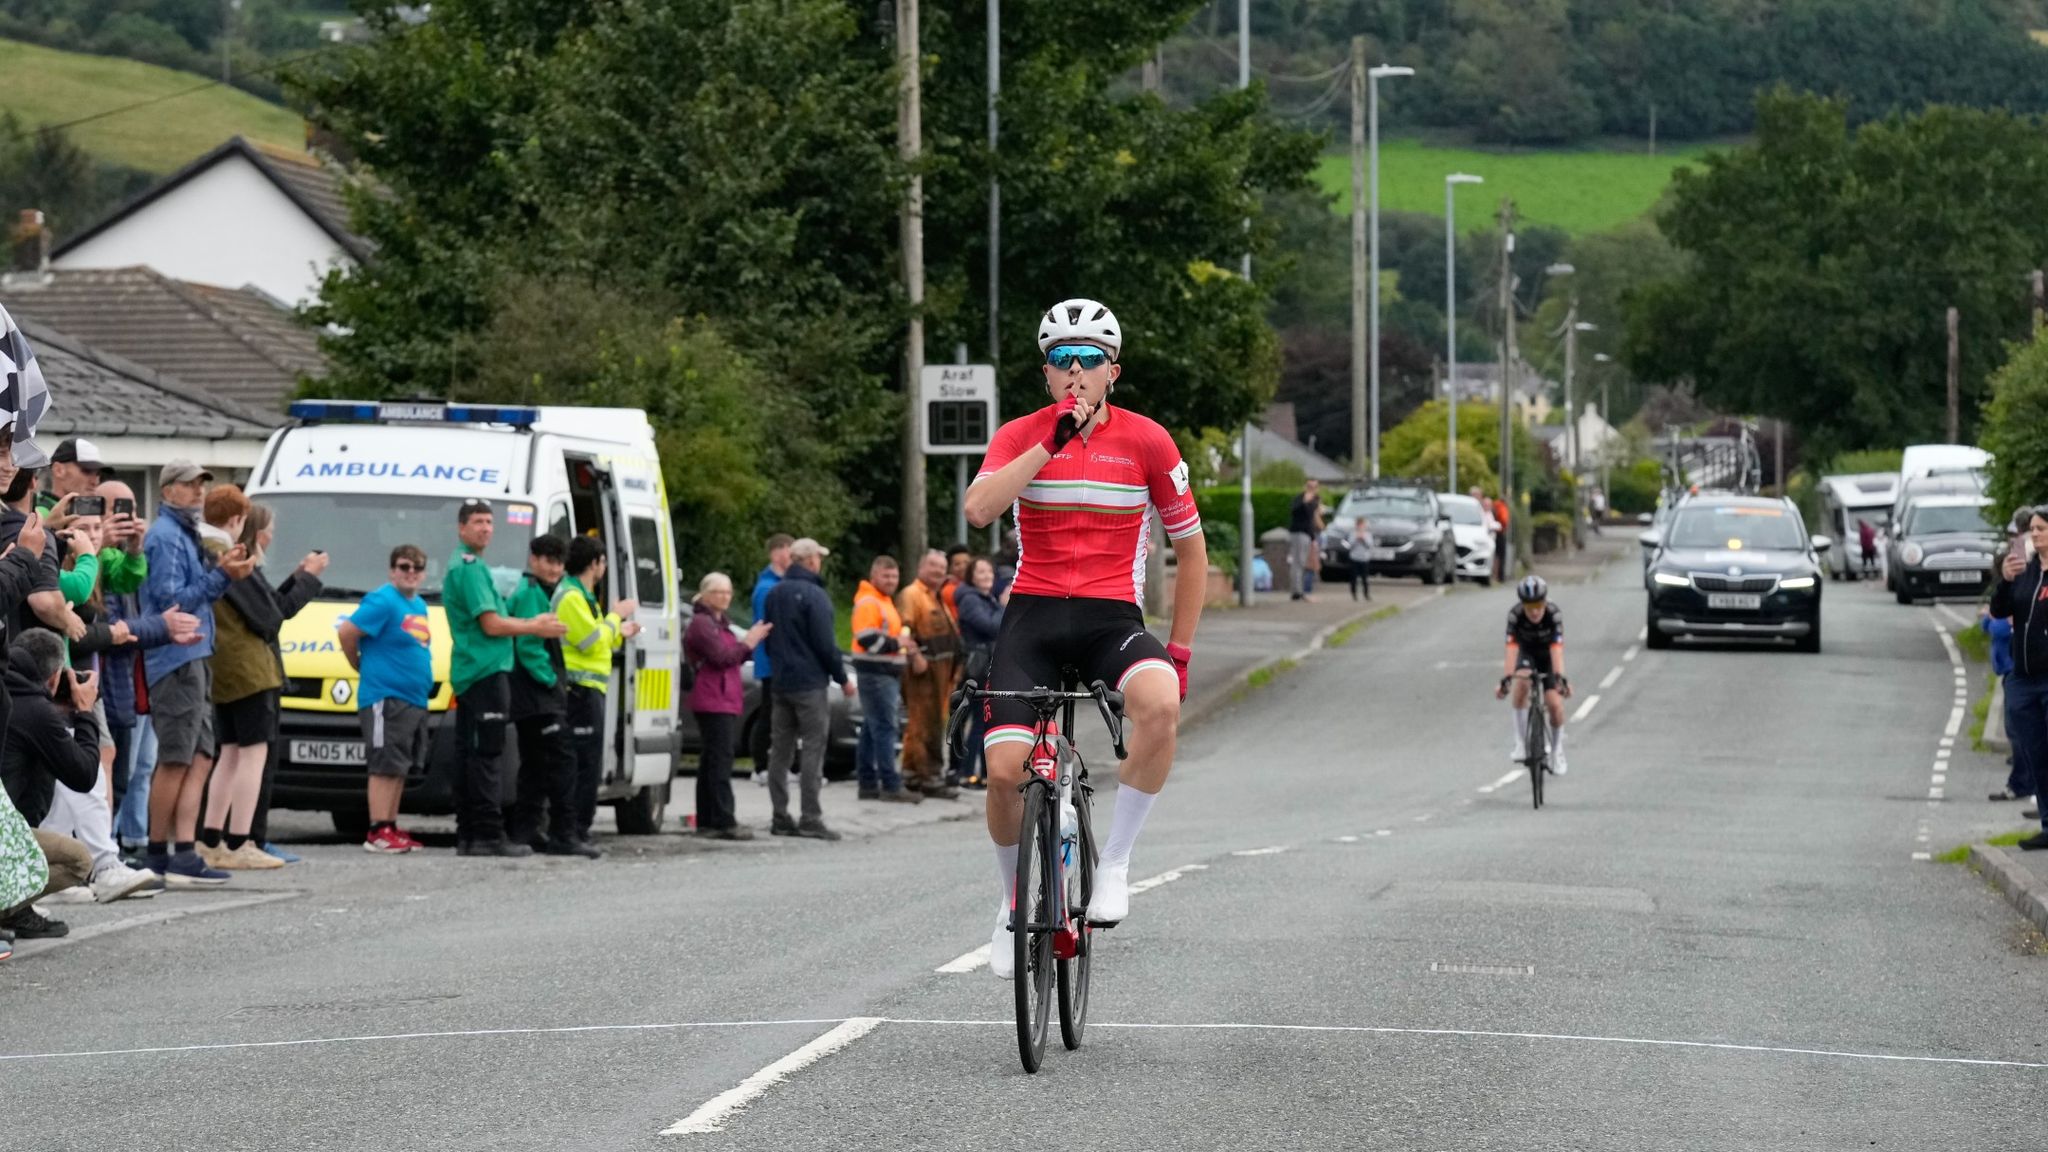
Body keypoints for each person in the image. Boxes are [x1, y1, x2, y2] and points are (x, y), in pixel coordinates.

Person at [961, 297, 1206, 979]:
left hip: (1109, 618)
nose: (1075, 373)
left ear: (1112, 372)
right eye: (1061, 361)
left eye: (1088, 361)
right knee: (1006, 772)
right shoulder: (1022, 435)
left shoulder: (1148, 441)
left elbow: (1193, 555)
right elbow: (979, 509)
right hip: (1033, 618)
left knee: (1160, 706)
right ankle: (1014, 902)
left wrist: (1179, 653)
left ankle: (1117, 865)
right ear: (1046, 374)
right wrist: (1051, 442)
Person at [140, 459, 255, 886]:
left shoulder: (183, 532)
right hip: (175, 656)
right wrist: (221, 576)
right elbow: (171, 600)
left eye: (201, 485)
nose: (199, 493)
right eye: (190, 486)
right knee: (176, 757)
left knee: (201, 754)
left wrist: (224, 576)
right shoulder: (167, 537)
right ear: (168, 491)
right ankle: (158, 851)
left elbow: (193, 591)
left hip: (194, 657)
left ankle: (184, 849)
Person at [201, 501, 325, 870]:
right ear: (238, 521)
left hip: (222, 667)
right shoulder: (227, 553)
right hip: (250, 670)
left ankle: (211, 838)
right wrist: (311, 579)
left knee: (229, 753)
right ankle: (241, 841)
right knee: (252, 755)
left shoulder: (202, 550)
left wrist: (297, 576)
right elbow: (271, 616)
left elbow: (265, 603)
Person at [442, 499, 565, 857]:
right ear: (462, 527)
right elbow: (491, 623)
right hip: (484, 670)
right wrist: (535, 626)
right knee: (486, 754)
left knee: (472, 752)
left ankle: (469, 834)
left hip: (475, 670)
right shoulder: (468, 568)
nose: (485, 528)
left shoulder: (473, 565)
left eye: (489, 522)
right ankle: (486, 835)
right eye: (477, 522)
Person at [1, 629, 115, 937]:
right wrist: (85, 712)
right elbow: (83, 775)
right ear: (53, 678)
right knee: (77, 860)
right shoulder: (37, 711)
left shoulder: (9, 695)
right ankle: (11, 908)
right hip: (4, 837)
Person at [337, 545, 434, 854]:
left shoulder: (418, 604)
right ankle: (377, 830)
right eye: (404, 567)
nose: (411, 573)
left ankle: (390, 825)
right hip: (385, 697)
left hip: (412, 698)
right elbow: (347, 632)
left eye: (417, 568)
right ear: (392, 570)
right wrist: (358, 664)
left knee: (398, 765)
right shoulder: (383, 600)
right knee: (383, 765)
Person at [760, 538, 851, 840]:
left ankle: (779, 815)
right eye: (818, 558)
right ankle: (810, 816)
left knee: (780, 750)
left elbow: (770, 637)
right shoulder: (815, 595)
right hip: (810, 683)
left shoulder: (774, 594)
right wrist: (842, 677)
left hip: (781, 681)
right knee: (813, 748)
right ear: (811, 561)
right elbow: (825, 644)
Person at [556, 535, 638, 855]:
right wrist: (616, 616)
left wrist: (618, 629)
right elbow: (590, 641)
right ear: (595, 563)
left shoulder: (583, 596)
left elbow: (599, 638)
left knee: (588, 762)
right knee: (582, 763)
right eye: (603, 562)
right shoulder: (571, 597)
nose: (604, 568)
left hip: (590, 688)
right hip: (579, 690)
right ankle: (573, 830)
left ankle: (579, 829)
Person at [507, 534, 583, 856]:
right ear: (533, 560)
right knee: (562, 762)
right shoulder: (532, 594)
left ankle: (526, 830)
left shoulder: (537, 591)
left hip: (529, 696)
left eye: (559, 563)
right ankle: (564, 834)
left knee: (536, 765)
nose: (555, 569)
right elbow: (528, 647)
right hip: (538, 696)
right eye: (549, 561)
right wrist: (552, 682)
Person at [685, 572, 768, 839]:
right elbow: (722, 657)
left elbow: (733, 656)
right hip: (712, 698)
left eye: (728, 592)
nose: (724, 597)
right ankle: (723, 819)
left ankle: (709, 820)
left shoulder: (719, 624)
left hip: (723, 697)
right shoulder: (702, 624)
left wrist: (747, 646)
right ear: (706, 594)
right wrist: (748, 643)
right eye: (719, 592)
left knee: (712, 760)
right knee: (720, 760)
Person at [1995, 510, 2048, 850]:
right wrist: (2005, 580)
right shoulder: (2024, 571)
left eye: (2042, 529)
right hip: (2023, 677)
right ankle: (2047, 823)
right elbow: (2000, 610)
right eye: (2032, 530)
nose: (2035, 535)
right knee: (2034, 751)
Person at [849, 556, 916, 802]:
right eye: (886, 576)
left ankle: (867, 783)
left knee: (871, 727)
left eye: (894, 576)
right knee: (885, 727)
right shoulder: (869, 602)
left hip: (883, 673)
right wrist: (898, 643)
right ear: (874, 575)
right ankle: (890, 784)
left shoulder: (883, 600)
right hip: (876, 673)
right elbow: (868, 639)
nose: (891, 581)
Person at [899, 549, 962, 798]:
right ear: (921, 567)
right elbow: (904, 629)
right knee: (921, 723)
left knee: (936, 723)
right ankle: (923, 776)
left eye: (941, 567)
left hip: (942, 672)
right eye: (933, 566)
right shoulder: (911, 595)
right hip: (922, 670)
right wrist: (914, 656)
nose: (938, 571)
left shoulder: (937, 597)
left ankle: (922, 774)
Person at [1495, 574, 1571, 774]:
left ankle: (1556, 751)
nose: (1535, 611)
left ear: (1545, 602)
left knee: (1554, 705)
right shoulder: (1515, 615)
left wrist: (1560, 678)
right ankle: (1520, 743)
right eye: (1529, 607)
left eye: (1538, 605)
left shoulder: (1553, 615)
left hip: (1548, 656)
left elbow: (1557, 650)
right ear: (1523, 605)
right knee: (1521, 685)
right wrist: (1506, 680)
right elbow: (1511, 649)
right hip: (1527, 653)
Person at [954, 555, 1004, 790]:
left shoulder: (987, 599)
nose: (987, 577)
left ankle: (983, 773)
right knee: (977, 720)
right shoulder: (971, 600)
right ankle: (967, 773)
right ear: (971, 576)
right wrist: (1004, 606)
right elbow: (991, 627)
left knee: (984, 721)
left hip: (987, 665)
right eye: (981, 572)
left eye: (989, 572)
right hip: (977, 667)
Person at [749, 533, 793, 770]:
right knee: (769, 714)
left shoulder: (778, 585)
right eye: (789, 550)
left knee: (776, 714)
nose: (793, 557)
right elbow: (766, 627)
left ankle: (773, 764)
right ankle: (761, 765)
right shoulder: (767, 588)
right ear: (777, 553)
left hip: (778, 660)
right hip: (771, 662)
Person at [1288, 478, 1320, 600]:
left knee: (1301, 562)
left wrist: (1312, 538)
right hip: (1297, 532)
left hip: (1306, 534)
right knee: (1298, 562)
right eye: (1309, 486)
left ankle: (1298, 590)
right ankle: (1297, 591)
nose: (1312, 489)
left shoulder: (1315, 500)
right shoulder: (1299, 498)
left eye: (1314, 487)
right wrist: (1304, 501)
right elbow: (1295, 511)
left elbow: (1310, 516)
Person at [940, 544, 972, 620]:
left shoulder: (980, 585)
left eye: (966, 563)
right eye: (957, 564)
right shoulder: (948, 590)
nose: (963, 567)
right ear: (949, 568)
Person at [1346, 517, 1373, 601]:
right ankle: (1354, 594)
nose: (1361, 527)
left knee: (1365, 578)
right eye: (1359, 525)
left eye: (1362, 525)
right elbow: (1350, 545)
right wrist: (1356, 538)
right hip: (1354, 558)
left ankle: (1366, 594)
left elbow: (1369, 545)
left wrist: (1363, 538)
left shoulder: (1368, 534)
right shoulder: (1352, 534)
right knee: (1353, 577)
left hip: (1364, 558)